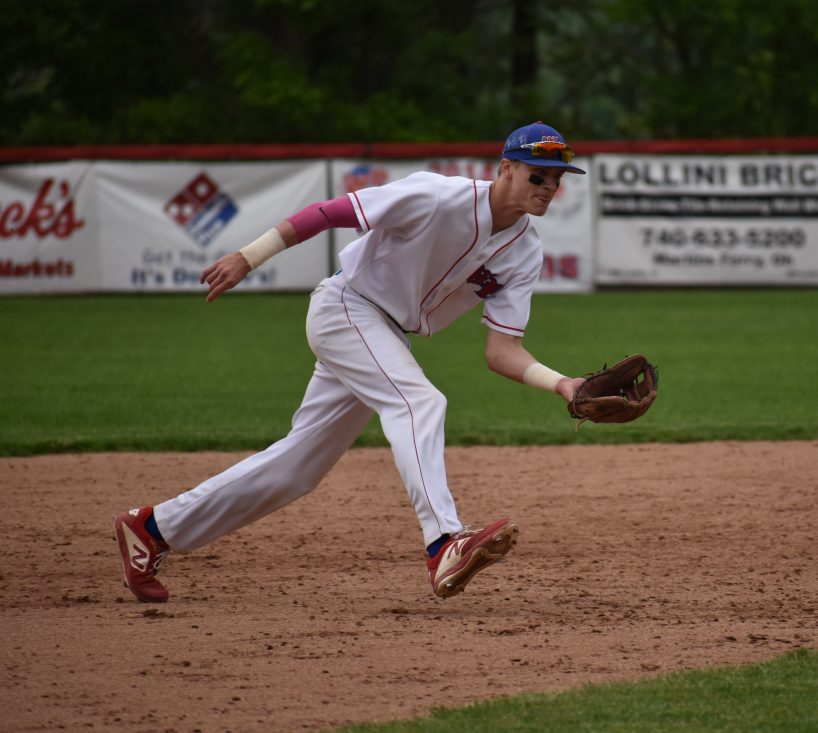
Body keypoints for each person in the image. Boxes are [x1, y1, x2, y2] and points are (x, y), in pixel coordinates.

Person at [114, 122, 588, 603]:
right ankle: (445, 541)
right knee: (418, 402)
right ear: (506, 168)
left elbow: (501, 352)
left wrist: (563, 384)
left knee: (296, 470)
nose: (549, 187)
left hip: (386, 335)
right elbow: (330, 212)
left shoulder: (524, 251)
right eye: (539, 174)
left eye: (557, 178)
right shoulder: (436, 195)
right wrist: (249, 257)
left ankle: (152, 527)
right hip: (346, 306)